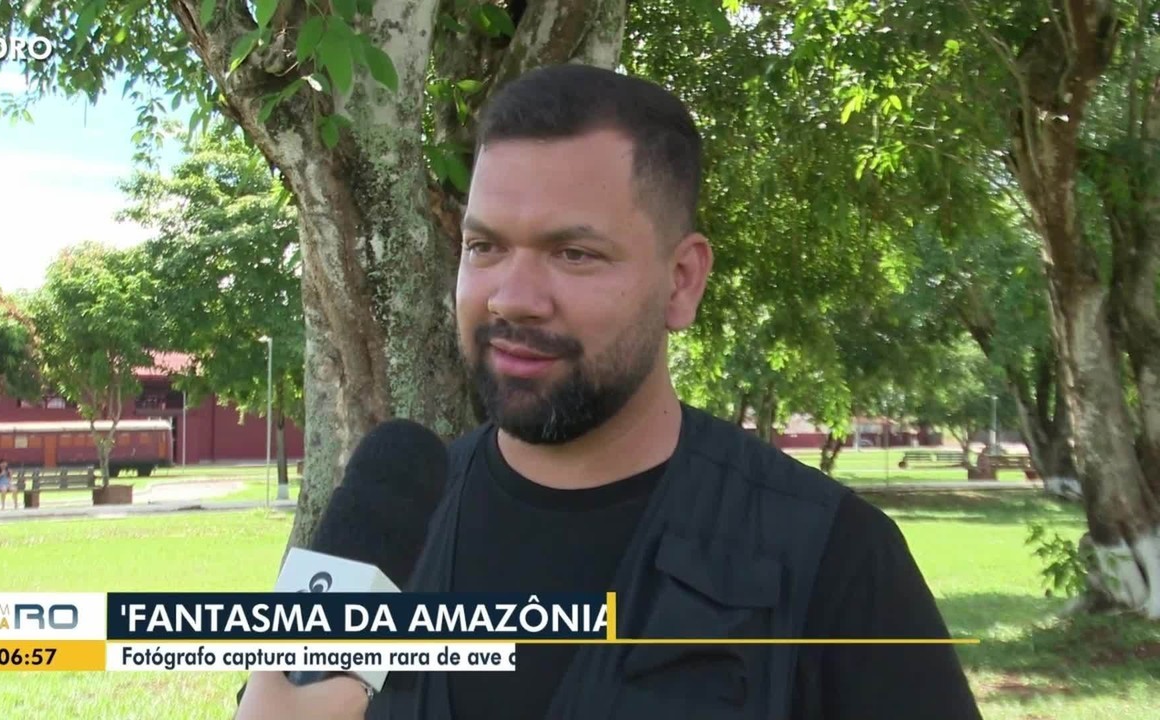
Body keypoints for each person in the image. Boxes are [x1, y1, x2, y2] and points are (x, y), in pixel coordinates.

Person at [235, 64, 982, 720]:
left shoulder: (831, 558)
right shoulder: (386, 529)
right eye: (485, 246)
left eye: (574, 252)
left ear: (681, 281)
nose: (512, 298)